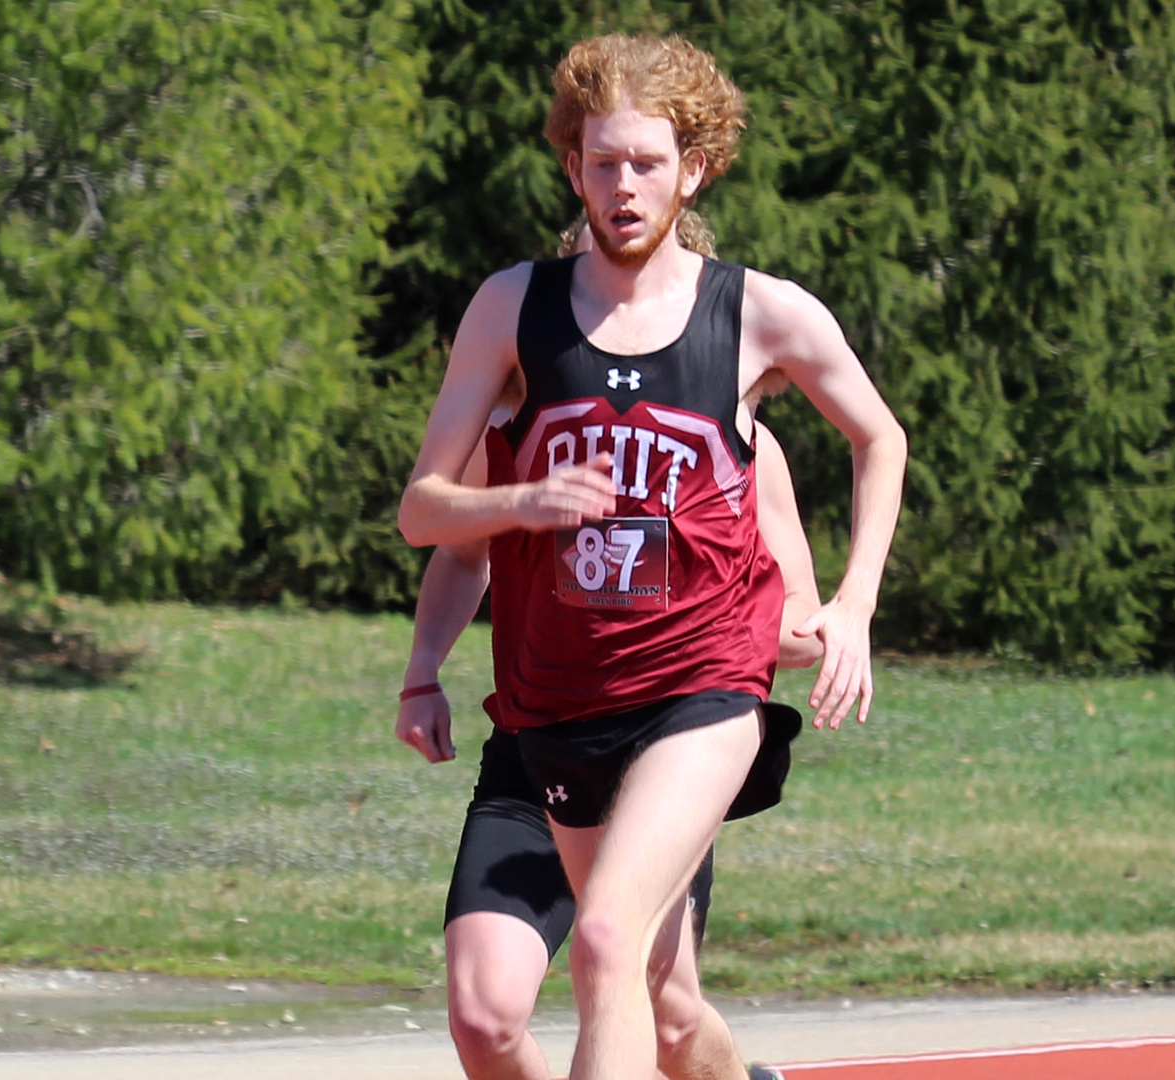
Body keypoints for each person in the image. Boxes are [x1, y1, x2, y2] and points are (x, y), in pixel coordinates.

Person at [397, 33, 906, 1080]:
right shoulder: (513, 308)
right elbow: (423, 514)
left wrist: (851, 607)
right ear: (571, 165)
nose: (621, 187)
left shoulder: (758, 313)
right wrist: (523, 500)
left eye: (646, 163)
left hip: (700, 694)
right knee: (655, 1010)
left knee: (604, 943)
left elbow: (879, 438)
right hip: (558, 706)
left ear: (696, 167)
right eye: (600, 162)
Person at [399, 213, 815, 1080]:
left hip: (660, 738)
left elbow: (797, 624)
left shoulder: (743, 450)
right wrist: (422, 675)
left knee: (660, 1010)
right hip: (537, 738)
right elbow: (457, 550)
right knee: (484, 1018)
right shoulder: (519, 437)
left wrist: (713, 608)